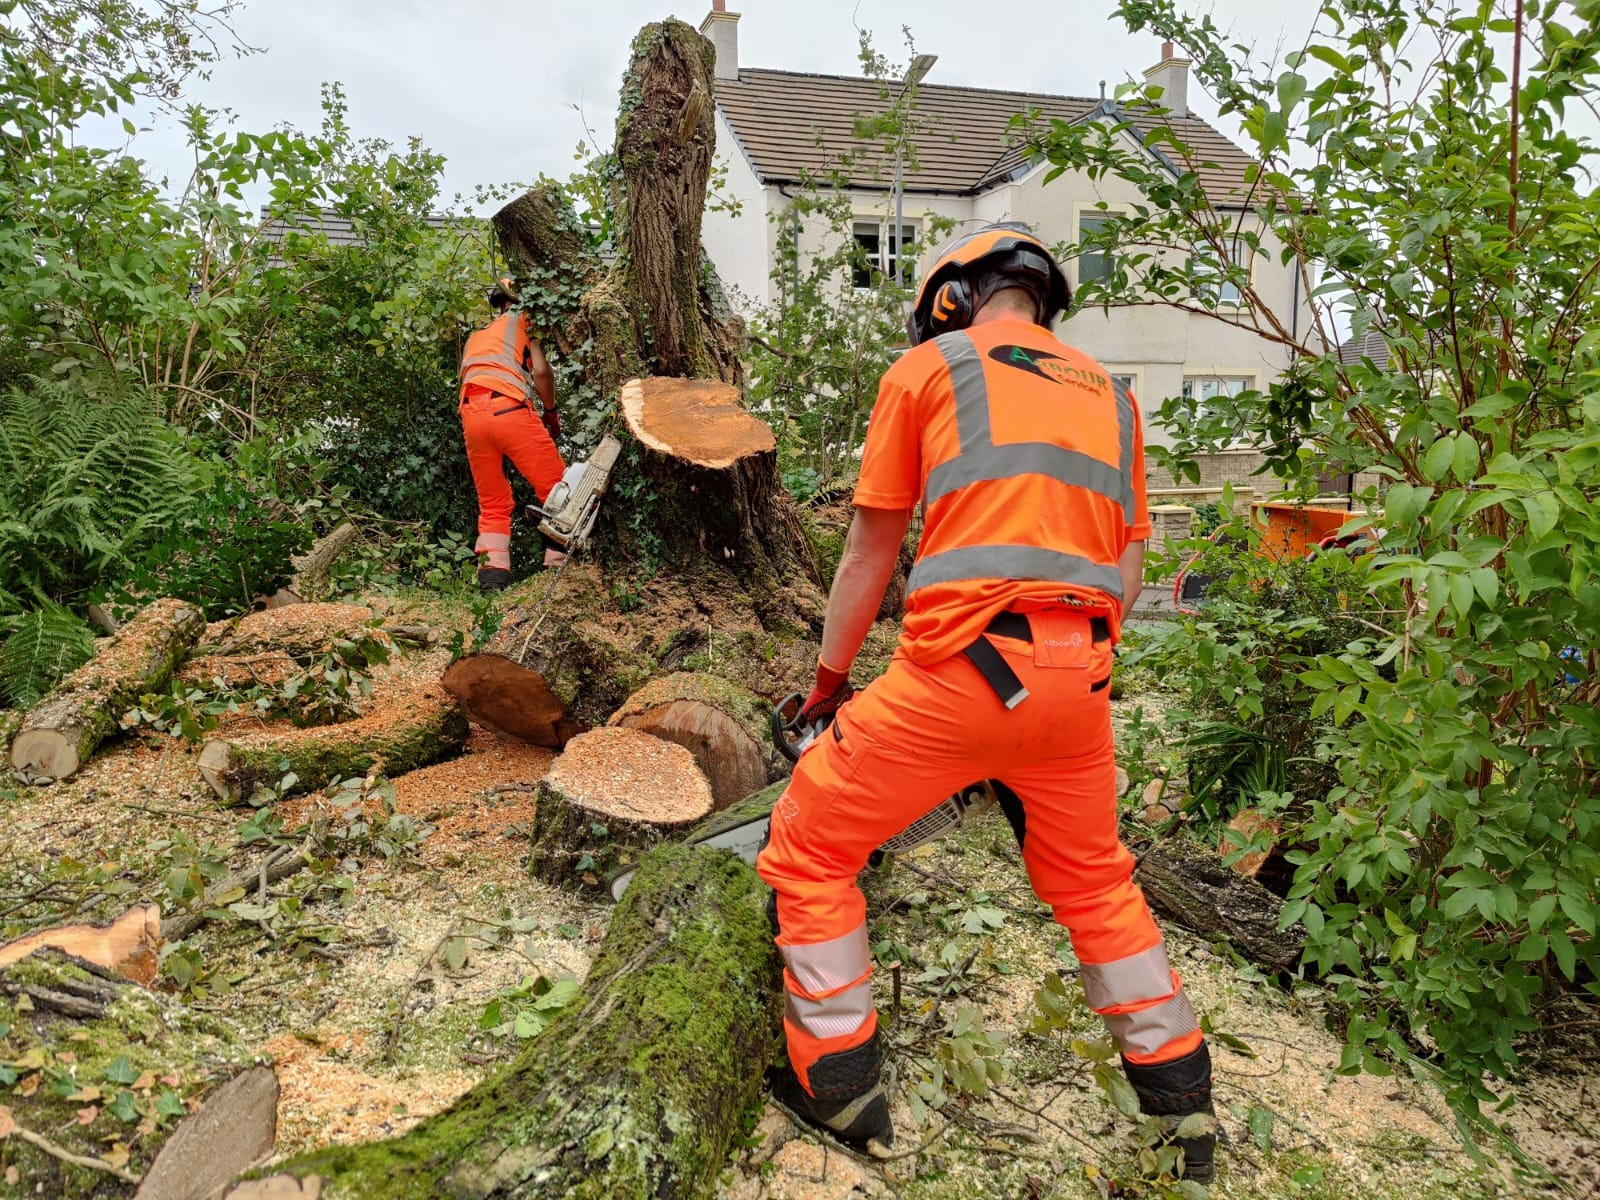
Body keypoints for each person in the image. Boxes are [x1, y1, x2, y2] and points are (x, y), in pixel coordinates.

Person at [754, 223, 1218, 1181]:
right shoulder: (1118, 401)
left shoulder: (930, 373)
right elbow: (1129, 566)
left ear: (952, 299)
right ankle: (1183, 1109)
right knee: (1096, 885)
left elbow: (868, 552)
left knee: (809, 848)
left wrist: (831, 688)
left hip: (956, 675)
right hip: (1082, 681)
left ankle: (839, 1085)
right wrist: (1056, 681)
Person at [458, 276, 568, 592]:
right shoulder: (526, 319)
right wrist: (550, 411)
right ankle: (556, 568)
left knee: (492, 502)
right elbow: (542, 371)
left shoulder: (478, 336)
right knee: (556, 488)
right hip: (508, 408)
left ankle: (491, 580)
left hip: (471, 417)